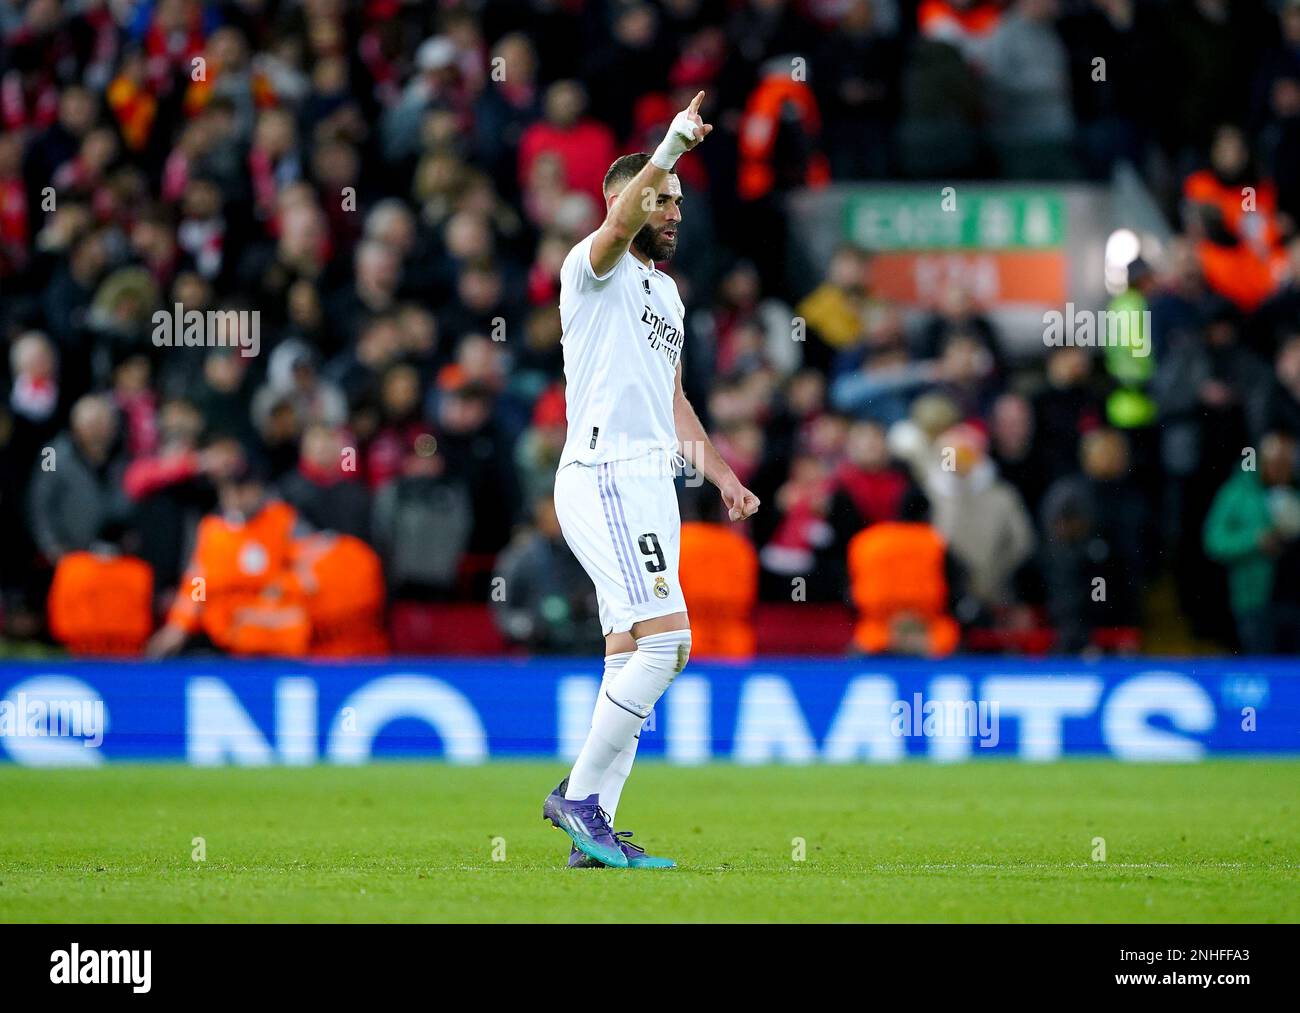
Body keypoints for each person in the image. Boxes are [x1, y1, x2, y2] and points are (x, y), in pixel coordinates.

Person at [541, 92, 760, 870]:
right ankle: (579, 799)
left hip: (650, 481)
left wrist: (723, 476)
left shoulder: (666, 295)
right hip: (603, 472)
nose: (674, 210)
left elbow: (674, 404)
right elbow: (622, 220)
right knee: (671, 642)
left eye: (675, 201)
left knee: (630, 651)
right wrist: (669, 142)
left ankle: (593, 834)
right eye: (660, 199)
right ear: (627, 204)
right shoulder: (589, 268)